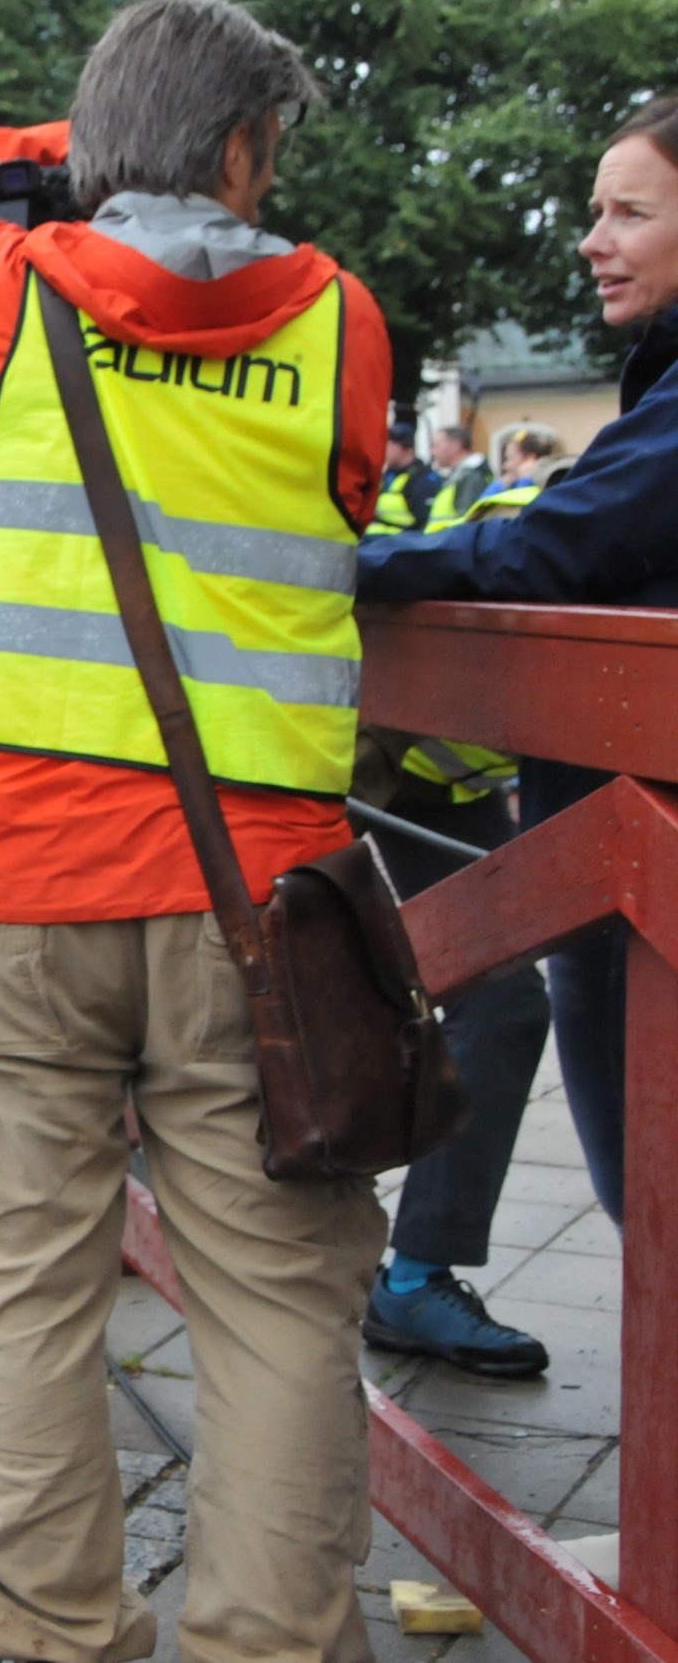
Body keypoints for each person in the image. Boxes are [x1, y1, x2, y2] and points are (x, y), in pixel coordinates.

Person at [0, 0, 396, 1663]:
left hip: (7, 889)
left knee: (18, 1271)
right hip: (262, 906)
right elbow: (350, 500)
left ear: (105, 147)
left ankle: (51, 1632)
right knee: (282, 1297)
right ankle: (267, 1641)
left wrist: (50, 161)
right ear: (245, 150)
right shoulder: (342, 321)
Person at [356, 94, 678, 1232]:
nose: (592, 239)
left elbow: (561, 539)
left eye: (627, 212)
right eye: (595, 210)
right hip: (610, 835)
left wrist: (357, 564)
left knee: (644, 1171)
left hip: (632, 841)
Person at [353, 471, 569, 1379]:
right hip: (359, 746)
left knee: (507, 1006)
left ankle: (412, 1276)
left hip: (449, 776)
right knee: (269, 973)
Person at [372, 419, 437, 533]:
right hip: (374, 544)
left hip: (402, 545)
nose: (383, 450)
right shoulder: (386, 475)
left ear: (405, 448)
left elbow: (423, 522)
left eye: (388, 445)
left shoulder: (422, 478)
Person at [425, 423, 494, 529]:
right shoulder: (460, 474)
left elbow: (467, 523)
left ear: (456, 445)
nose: (433, 452)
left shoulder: (471, 476)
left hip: (451, 543)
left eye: (437, 445)